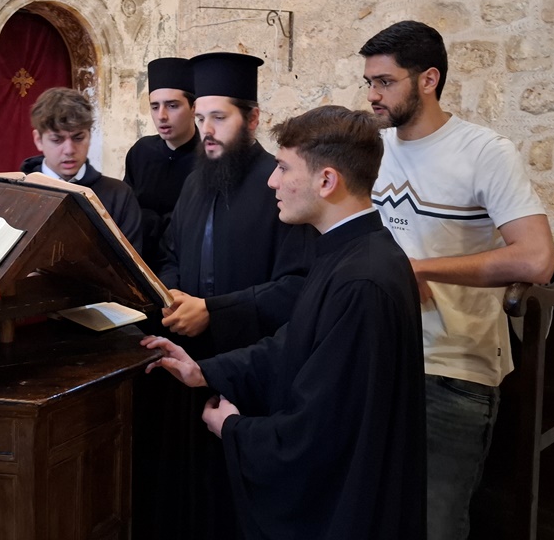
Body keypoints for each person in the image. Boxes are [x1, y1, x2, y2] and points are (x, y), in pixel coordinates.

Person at [142, 105, 426, 540]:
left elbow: (320, 432)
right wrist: (206, 371)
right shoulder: (347, 254)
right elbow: (292, 345)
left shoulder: (363, 280)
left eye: (282, 168)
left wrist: (234, 429)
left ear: (326, 181)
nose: (272, 181)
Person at [359, 20, 554, 540]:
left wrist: (416, 269)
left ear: (428, 79)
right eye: (369, 83)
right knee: (370, 508)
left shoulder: (484, 151)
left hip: (449, 366)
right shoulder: (372, 150)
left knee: (435, 520)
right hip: (375, 352)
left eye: (385, 82)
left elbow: (537, 260)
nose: (373, 95)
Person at [137, 52, 313, 540]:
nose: (206, 130)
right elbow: (172, 250)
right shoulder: (196, 182)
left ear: (252, 119)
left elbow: (298, 286)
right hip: (191, 363)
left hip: (255, 375)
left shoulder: (280, 187)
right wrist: (172, 292)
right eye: (200, 118)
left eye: (220, 117)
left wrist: (212, 313)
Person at [20, 86, 142, 251]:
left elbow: (130, 268)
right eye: (57, 140)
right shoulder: (15, 192)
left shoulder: (119, 195)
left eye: (78, 138)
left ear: (90, 135)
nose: (69, 150)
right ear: (38, 140)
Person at [123, 57, 199, 270]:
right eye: (154, 107)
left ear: (194, 108)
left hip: (184, 266)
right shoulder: (141, 151)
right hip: (140, 261)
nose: (161, 116)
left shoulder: (209, 158)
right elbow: (127, 210)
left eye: (172, 106)